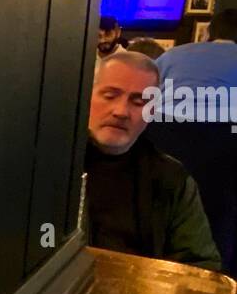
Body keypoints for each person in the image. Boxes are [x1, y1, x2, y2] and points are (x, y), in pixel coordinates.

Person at [84, 50, 220, 271]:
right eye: (110, 96)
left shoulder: (171, 179)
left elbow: (200, 266)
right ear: (86, 97)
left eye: (138, 102)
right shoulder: (50, 166)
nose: (121, 111)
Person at [148, 7, 237, 275]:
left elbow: (148, 94)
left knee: (165, 202)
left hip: (165, 131)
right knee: (223, 214)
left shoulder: (175, 54)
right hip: (226, 139)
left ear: (209, 32)